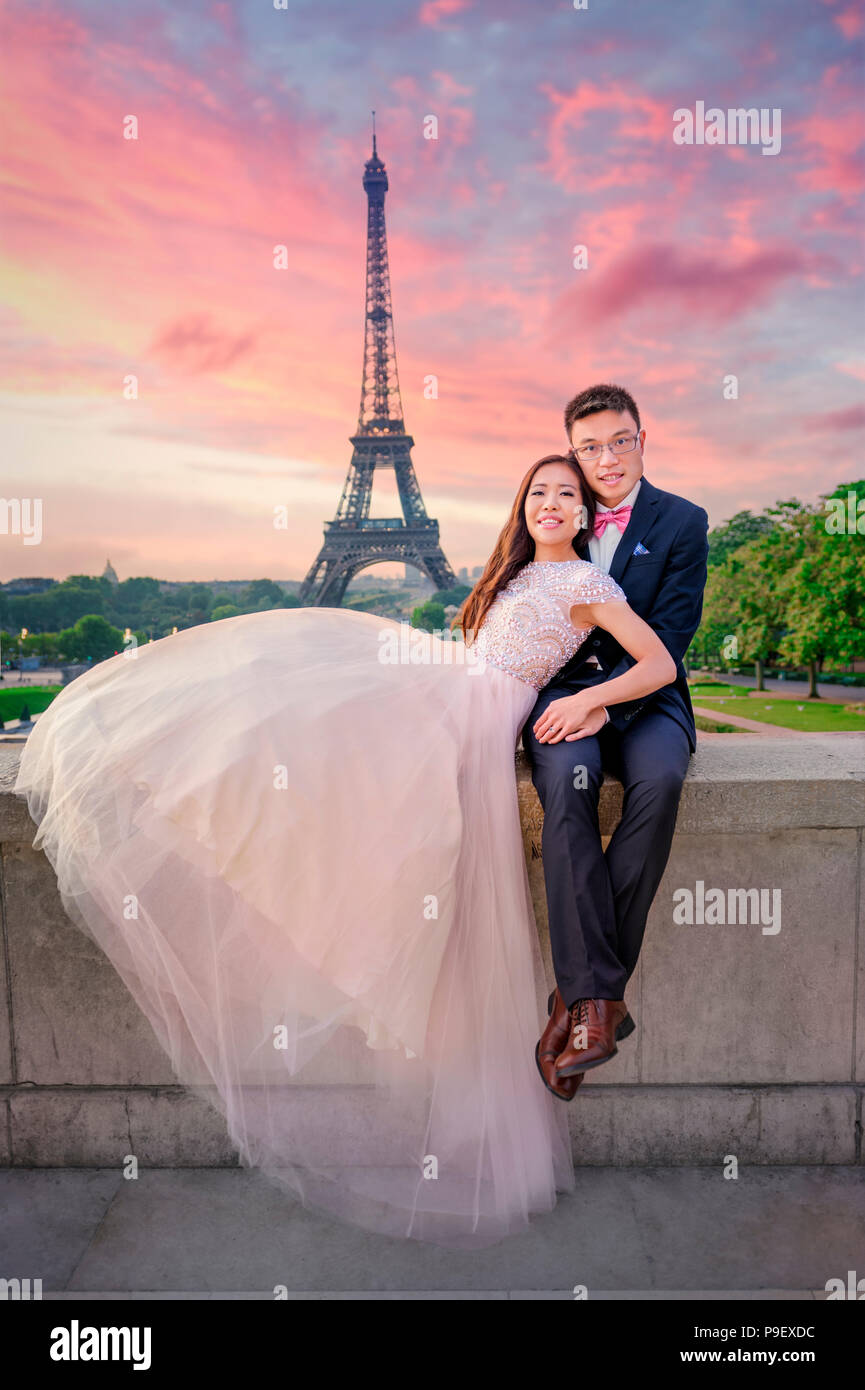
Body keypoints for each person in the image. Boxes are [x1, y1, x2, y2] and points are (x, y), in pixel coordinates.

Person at [14, 451, 674, 1250]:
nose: (551, 503)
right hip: (456, 691)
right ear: (522, 505)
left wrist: (594, 703)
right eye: (538, 491)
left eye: (566, 495)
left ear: (584, 514)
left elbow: (657, 663)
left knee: (334, 742)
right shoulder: (512, 575)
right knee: (301, 714)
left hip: (472, 717)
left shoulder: (587, 587)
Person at [523, 385, 709, 1103]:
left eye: (619, 440)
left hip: (647, 696)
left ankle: (579, 1003)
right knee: (567, 795)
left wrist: (602, 700)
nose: (606, 457)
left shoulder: (682, 521)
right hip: (562, 702)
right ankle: (596, 1007)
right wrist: (574, 702)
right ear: (573, 450)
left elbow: (669, 636)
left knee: (659, 786)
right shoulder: (553, 506)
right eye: (590, 445)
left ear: (641, 438)